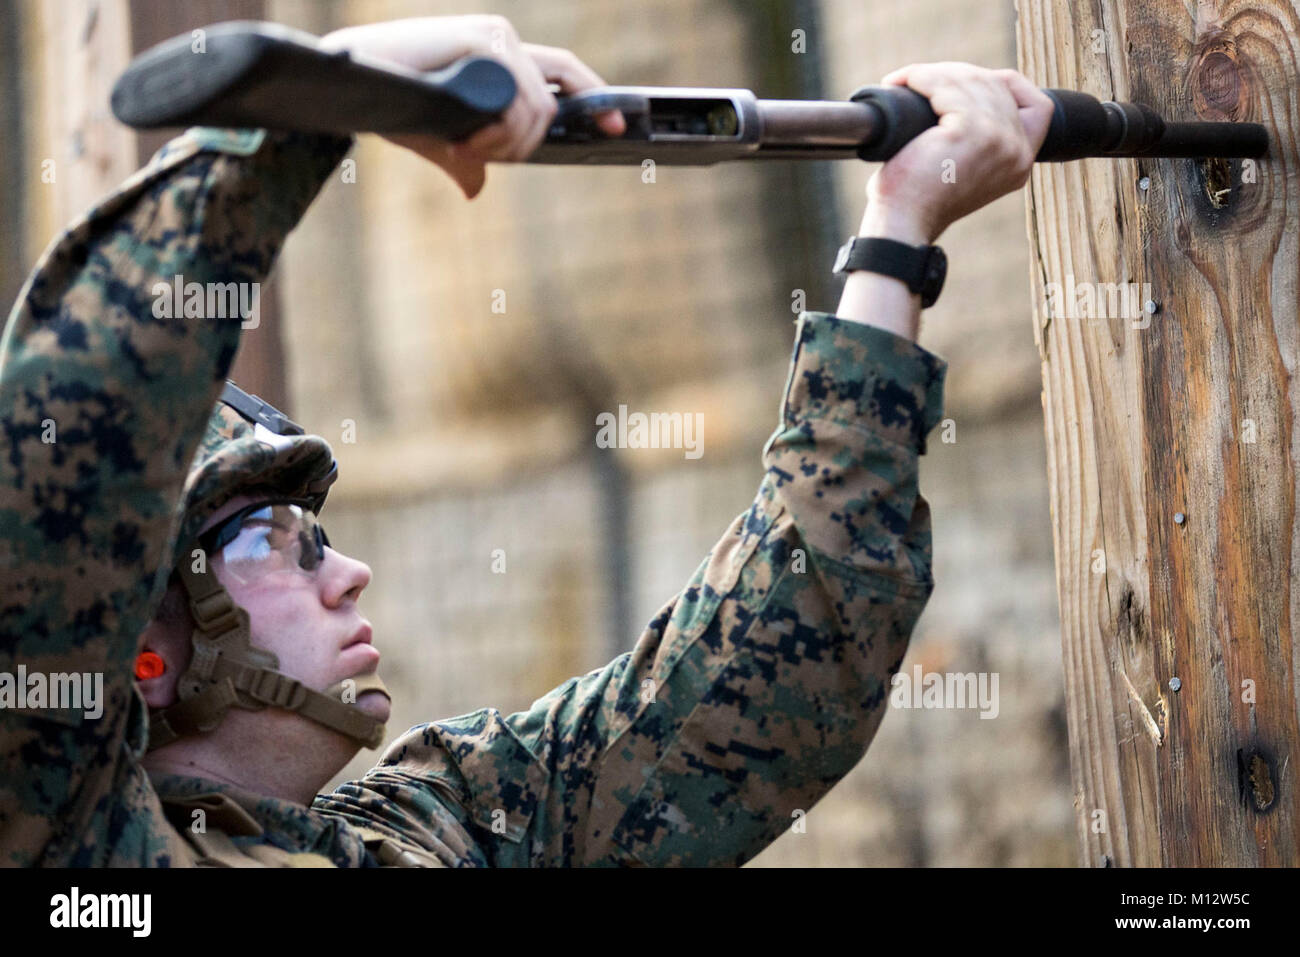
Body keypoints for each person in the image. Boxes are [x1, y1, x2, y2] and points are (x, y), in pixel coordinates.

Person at [0, 15, 1052, 866]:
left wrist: (896, 234)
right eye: (266, 540)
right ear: (138, 649)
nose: (349, 575)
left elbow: (780, 669)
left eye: (315, 535)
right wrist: (325, 94)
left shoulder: (440, 832)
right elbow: (67, 459)